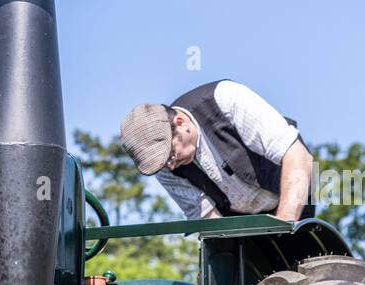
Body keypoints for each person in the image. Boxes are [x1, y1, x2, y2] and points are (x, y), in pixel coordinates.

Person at [120, 79, 314, 222]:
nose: (169, 166)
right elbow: (206, 217)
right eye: (163, 164)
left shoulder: (226, 99)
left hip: (291, 198)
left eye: (170, 154)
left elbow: (297, 156)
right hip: (238, 220)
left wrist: (285, 224)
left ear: (180, 123)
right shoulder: (162, 164)